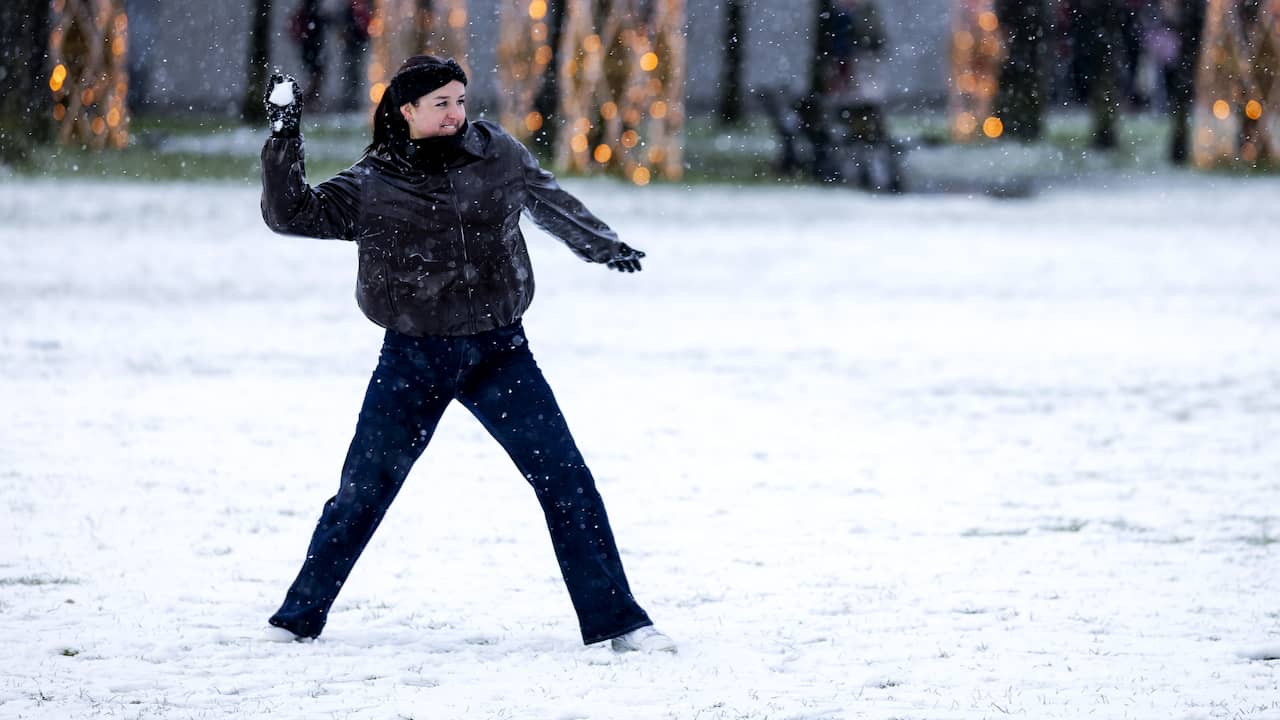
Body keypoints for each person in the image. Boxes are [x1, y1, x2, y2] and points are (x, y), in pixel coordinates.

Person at [257, 55, 674, 654]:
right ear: (407, 112)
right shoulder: (372, 182)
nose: (455, 114)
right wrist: (285, 134)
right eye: (440, 104)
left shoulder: (497, 154)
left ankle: (622, 623)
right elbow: (290, 214)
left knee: (566, 479)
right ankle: (298, 617)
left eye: (459, 100)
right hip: (413, 357)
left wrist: (602, 246)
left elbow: (548, 199)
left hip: (499, 352)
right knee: (364, 488)